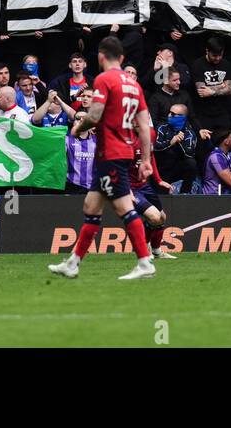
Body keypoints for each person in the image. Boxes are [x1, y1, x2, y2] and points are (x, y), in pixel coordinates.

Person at [49, 35, 156, 281]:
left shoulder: (104, 79)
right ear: (121, 58)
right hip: (122, 153)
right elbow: (143, 125)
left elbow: (94, 114)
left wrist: (78, 125)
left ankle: (144, 261)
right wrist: (147, 160)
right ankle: (73, 263)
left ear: (100, 56)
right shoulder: (133, 84)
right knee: (91, 206)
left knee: (124, 208)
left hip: (111, 154)